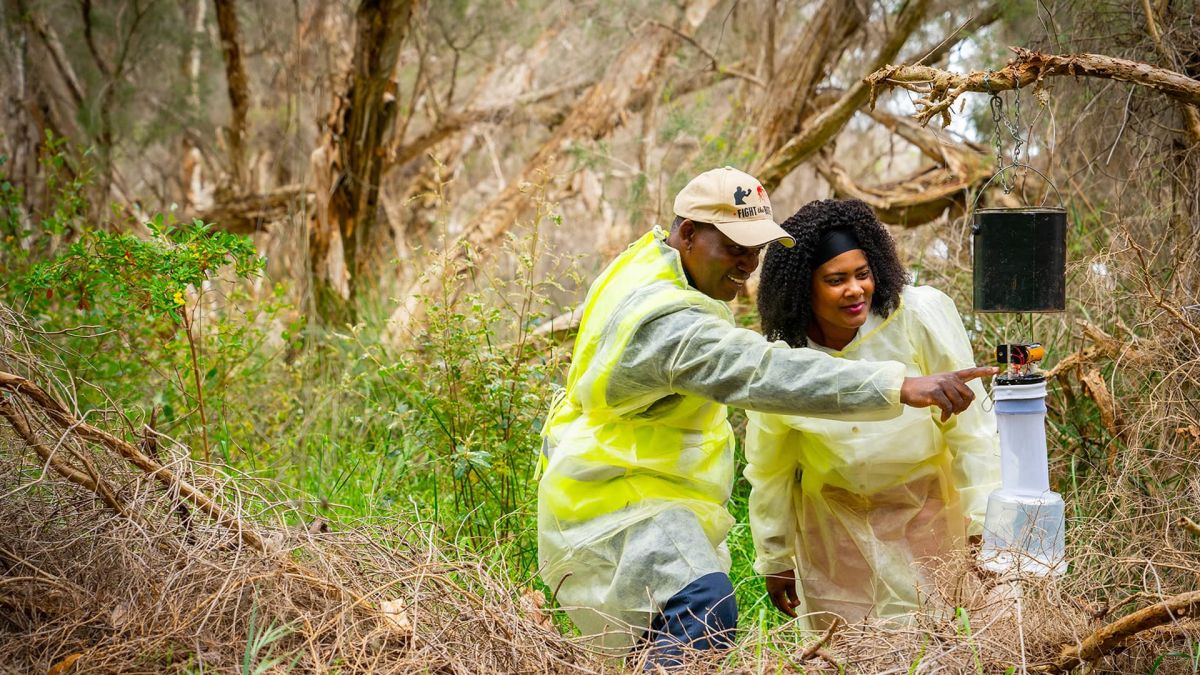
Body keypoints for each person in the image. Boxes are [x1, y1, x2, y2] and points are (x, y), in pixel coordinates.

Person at [536, 168, 993, 667]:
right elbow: (762, 379)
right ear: (687, 234)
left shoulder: (649, 265)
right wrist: (897, 384)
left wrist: (985, 523)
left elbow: (976, 437)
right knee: (702, 611)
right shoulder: (669, 324)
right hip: (621, 494)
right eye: (735, 247)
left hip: (634, 492)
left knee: (937, 649)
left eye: (755, 250)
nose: (748, 264)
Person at [746, 198, 1000, 630]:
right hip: (831, 527)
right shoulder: (782, 358)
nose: (855, 289)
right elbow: (770, 465)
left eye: (862, 274)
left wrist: (984, 526)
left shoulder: (916, 315)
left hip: (926, 512)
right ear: (802, 287)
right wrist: (774, 555)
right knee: (844, 650)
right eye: (835, 279)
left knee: (928, 643)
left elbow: (973, 432)